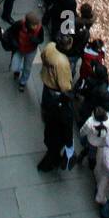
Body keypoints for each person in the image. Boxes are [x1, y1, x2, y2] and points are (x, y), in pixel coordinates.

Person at [37, 36, 75, 171]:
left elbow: (42, 56)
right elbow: (65, 86)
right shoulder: (63, 62)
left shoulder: (50, 46)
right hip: (55, 91)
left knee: (46, 106)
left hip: (46, 84)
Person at [2, 11, 44, 91]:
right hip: (19, 48)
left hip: (31, 50)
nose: (36, 26)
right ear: (28, 23)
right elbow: (10, 32)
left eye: (36, 24)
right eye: (33, 25)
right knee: (14, 66)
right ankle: (17, 72)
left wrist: (35, 40)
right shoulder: (19, 24)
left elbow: (41, 39)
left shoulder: (39, 28)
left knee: (27, 67)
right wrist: (14, 42)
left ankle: (23, 82)